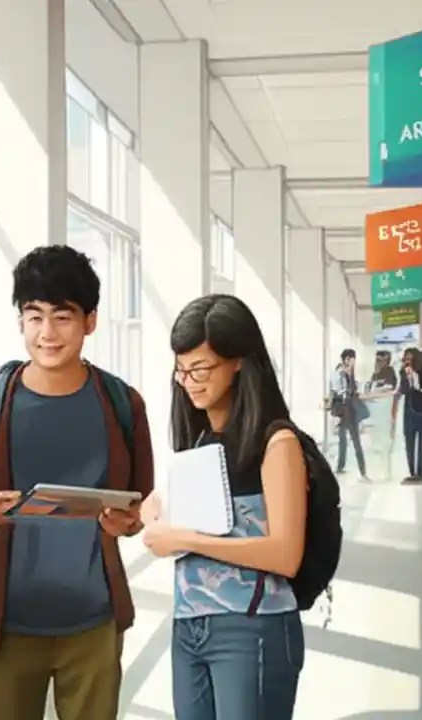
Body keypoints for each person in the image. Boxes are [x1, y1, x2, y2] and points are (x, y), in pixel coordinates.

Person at [0, 246, 155, 720]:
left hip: (94, 622)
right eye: (34, 316)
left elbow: (138, 505)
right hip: (10, 622)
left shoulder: (122, 404)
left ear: (90, 321)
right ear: (20, 320)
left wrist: (125, 523)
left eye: (62, 317)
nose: (47, 333)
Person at [139, 294, 307, 720]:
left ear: (239, 362)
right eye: (182, 370)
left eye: (200, 368)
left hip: (252, 629)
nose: (190, 381)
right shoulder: (200, 443)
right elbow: (203, 516)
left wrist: (181, 538)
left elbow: (285, 554)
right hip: (190, 625)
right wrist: (154, 513)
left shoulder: (277, 442)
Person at [398, 348, 422, 482]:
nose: (407, 362)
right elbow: (403, 390)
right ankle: (412, 472)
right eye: (406, 359)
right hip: (408, 412)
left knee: (421, 443)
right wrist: (408, 379)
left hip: (421, 411)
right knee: (409, 443)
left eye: (410, 359)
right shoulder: (403, 372)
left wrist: (416, 384)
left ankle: (420, 473)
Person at [330, 348, 368, 481]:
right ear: (346, 359)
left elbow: (352, 391)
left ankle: (362, 472)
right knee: (346, 440)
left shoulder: (350, 374)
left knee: (352, 441)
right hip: (344, 412)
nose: (353, 363)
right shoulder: (338, 374)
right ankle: (343, 467)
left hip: (350, 412)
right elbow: (338, 391)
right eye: (351, 360)